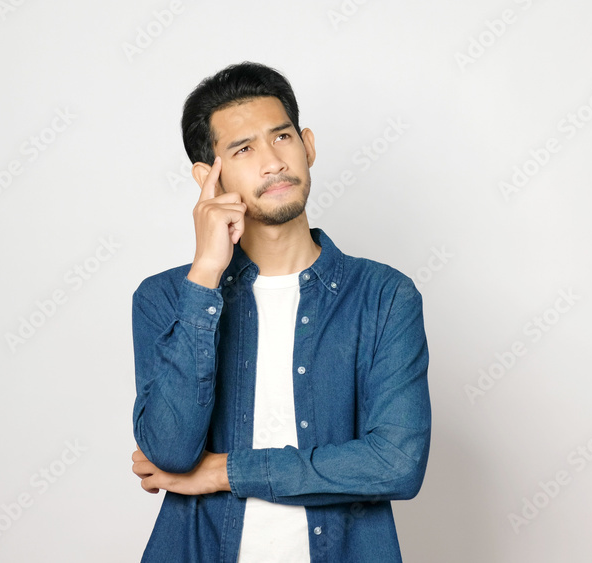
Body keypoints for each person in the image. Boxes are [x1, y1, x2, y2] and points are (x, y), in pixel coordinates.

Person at [130, 61, 431, 562]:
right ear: (208, 177)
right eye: (243, 149)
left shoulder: (384, 296)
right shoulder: (166, 297)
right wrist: (205, 273)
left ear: (308, 145)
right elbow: (170, 450)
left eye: (282, 137)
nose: (272, 162)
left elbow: (396, 462)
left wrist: (224, 471)